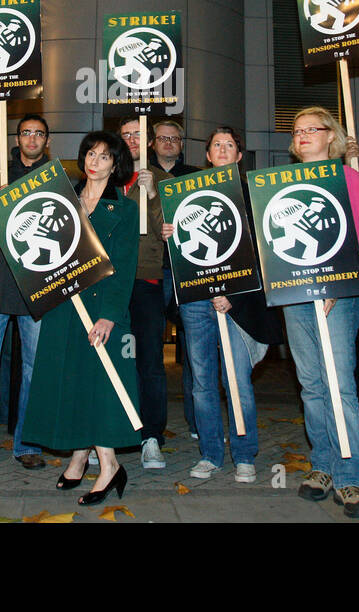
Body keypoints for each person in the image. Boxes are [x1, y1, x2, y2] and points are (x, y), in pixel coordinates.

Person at [23, 131, 141, 505]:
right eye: (91, 153)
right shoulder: (62, 200)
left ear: (115, 165)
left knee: (102, 385)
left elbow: (123, 268)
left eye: (105, 156)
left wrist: (109, 317)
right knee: (71, 380)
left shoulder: (124, 208)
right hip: (64, 308)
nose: (95, 161)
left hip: (101, 306)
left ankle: (108, 465)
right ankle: (79, 454)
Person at [166, 126, 281, 483]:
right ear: (208, 155)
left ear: (239, 155)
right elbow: (184, 246)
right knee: (201, 381)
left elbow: (263, 250)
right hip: (196, 298)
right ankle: (211, 453)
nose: (222, 149)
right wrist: (170, 232)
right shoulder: (187, 194)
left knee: (237, 380)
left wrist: (232, 293)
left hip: (237, 302)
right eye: (216, 144)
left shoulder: (253, 194)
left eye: (229, 144)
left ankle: (245, 454)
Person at [283, 107, 359, 518]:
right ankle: (322, 465)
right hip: (294, 294)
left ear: (331, 136)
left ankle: (350, 474)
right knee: (311, 384)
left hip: (337, 291)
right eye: (297, 131)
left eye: (311, 129)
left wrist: (334, 284)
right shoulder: (281, 183)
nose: (302, 135)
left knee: (339, 383)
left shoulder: (348, 178)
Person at [0, 113, 50, 471]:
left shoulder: (57, 180)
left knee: (34, 368)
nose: (32, 138)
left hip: (36, 284)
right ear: (16, 139)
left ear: (47, 141)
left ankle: (27, 443)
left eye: (39, 133)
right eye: (26, 132)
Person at [116, 117, 166, 469]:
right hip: (109, 283)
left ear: (150, 141)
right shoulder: (105, 176)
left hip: (147, 280)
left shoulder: (167, 181)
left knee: (149, 362)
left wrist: (151, 195)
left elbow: (174, 229)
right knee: (110, 363)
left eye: (139, 134)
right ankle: (109, 435)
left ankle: (151, 437)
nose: (132, 140)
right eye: (126, 135)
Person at [149, 119, 200, 438]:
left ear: (181, 144)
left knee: (194, 348)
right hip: (154, 269)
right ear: (152, 143)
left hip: (189, 268)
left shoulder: (196, 176)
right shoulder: (140, 175)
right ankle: (149, 425)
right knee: (150, 346)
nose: (168, 143)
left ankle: (198, 422)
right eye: (162, 138)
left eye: (174, 138)